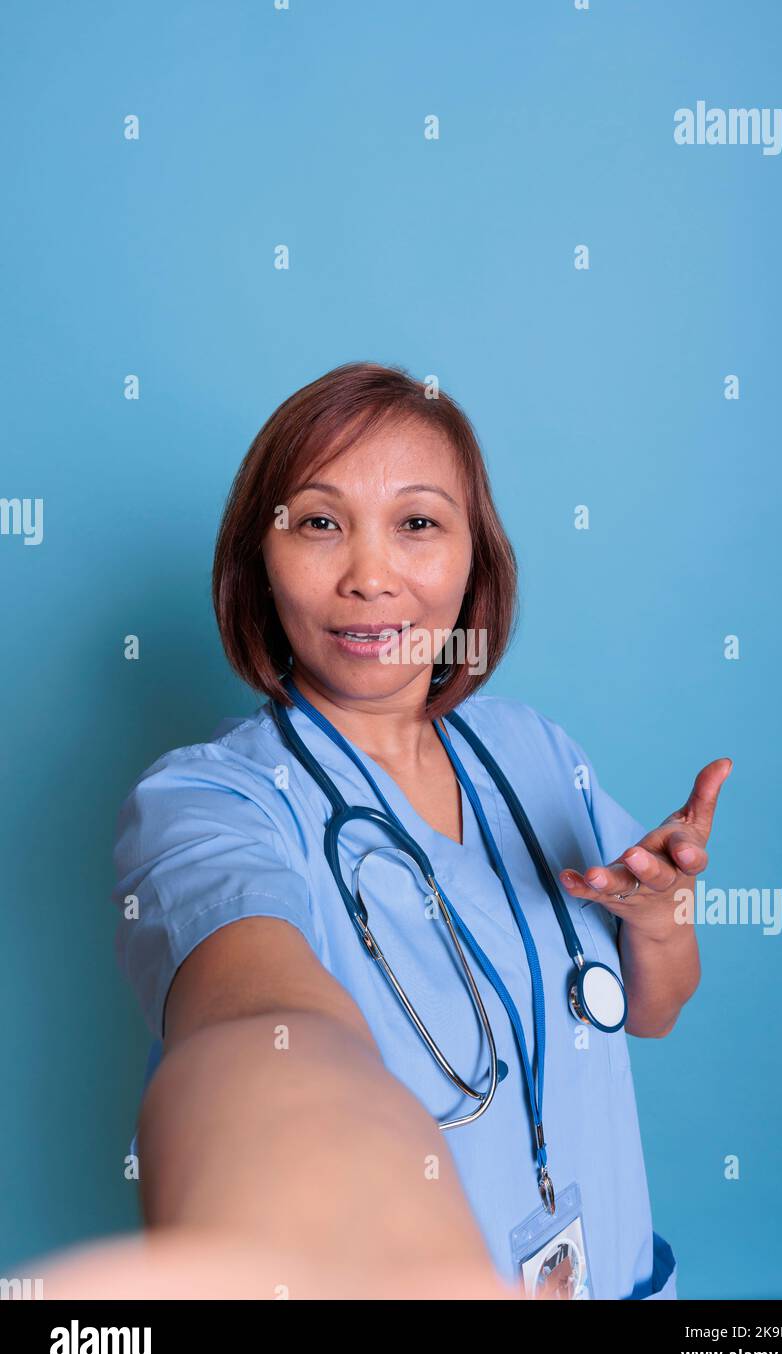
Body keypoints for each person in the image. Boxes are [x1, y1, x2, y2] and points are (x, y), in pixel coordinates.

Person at [105, 360, 729, 1301]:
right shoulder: (208, 803)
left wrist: (657, 919)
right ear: (255, 562)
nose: (369, 576)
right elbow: (258, 1029)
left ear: (475, 556)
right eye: (318, 523)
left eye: (419, 524)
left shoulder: (533, 751)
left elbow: (652, 1009)